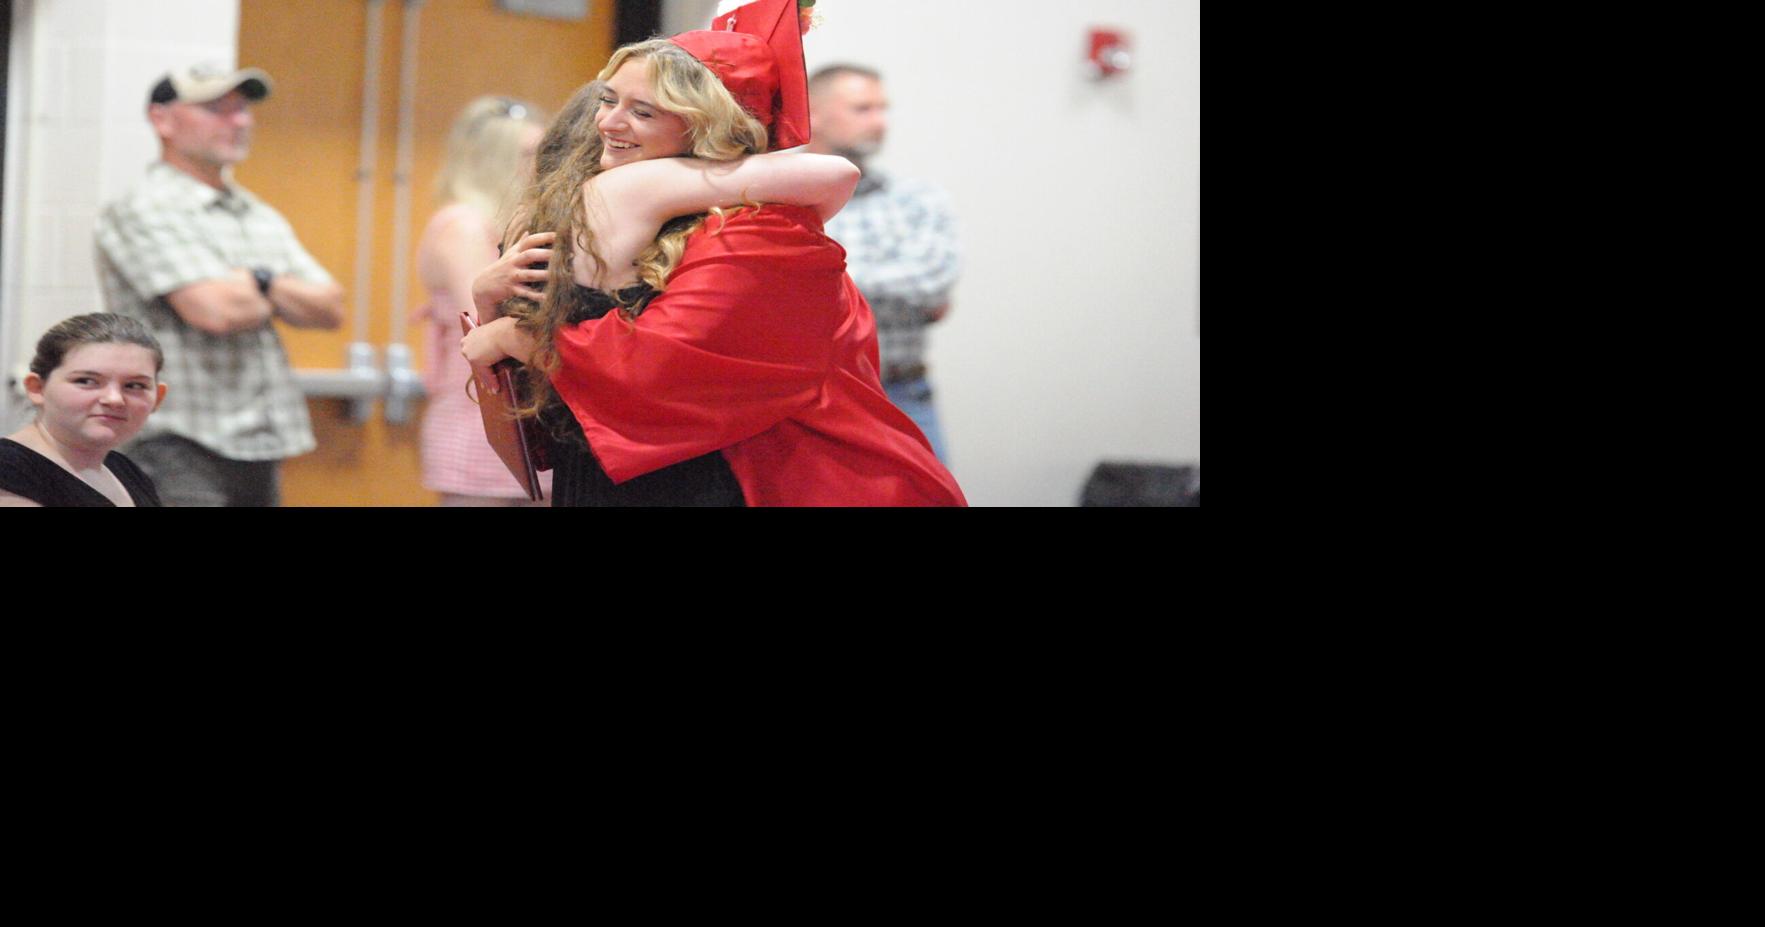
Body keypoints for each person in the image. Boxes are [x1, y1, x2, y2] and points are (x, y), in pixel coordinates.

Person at [462, 0, 965, 506]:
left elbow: (657, 368)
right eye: (608, 99)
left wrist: (516, 336)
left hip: (774, 480)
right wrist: (489, 302)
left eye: (643, 111)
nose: (608, 124)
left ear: (708, 127)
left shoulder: (763, 233)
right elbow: (547, 414)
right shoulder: (628, 208)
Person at [93, 64, 345, 506]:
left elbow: (329, 308)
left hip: (261, 442)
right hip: (177, 442)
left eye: (242, 108)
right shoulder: (143, 208)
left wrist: (257, 282)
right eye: (216, 108)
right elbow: (214, 311)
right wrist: (278, 292)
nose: (240, 120)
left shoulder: (256, 212)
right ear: (162, 119)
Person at [807, 63, 961, 462]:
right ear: (814, 114)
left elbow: (933, 281)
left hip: (901, 394)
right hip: (810, 399)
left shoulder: (915, 199)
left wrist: (823, 274)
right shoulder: (783, 199)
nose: (880, 122)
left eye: (883, 109)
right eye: (863, 109)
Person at [414, 95, 550, 506]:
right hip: (481, 426)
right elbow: (485, 319)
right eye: (527, 155)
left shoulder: (502, 226)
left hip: (518, 421)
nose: (542, 167)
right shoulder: (464, 225)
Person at [1, 313, 167, 507]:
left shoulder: (125, 470)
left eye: (135, 385)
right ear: (37, 388)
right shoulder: (9, 471)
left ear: (158, 397)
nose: (114, 399)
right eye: (86, 381)